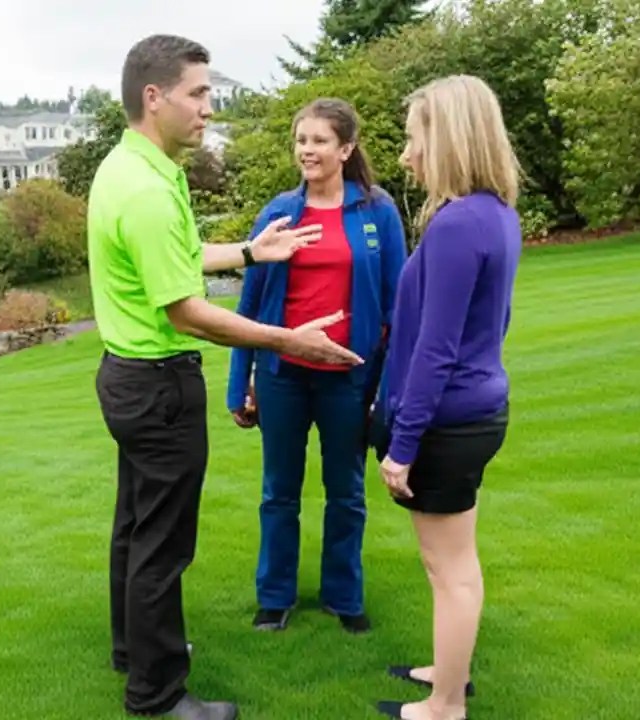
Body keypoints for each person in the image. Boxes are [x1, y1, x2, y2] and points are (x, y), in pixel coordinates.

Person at [88, 34, 364, 720]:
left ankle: (133, 649)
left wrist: (250, 250)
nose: (209, 107)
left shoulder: (137, 168)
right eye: (199, 93)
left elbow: (179, 259)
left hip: (126, 377)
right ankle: (157, 692)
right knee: (163, 542)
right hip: (157, 386)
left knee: (135, 525)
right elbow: (188, 312)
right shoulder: (146, 190)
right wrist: (287, 339)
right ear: (156, 97)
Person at [370, 74, 522, 720]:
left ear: (450, 137)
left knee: (449, 569)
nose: (406, 155)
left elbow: (436, 349)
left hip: (447, 422)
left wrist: (401, 447)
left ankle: (444, 706)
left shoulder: (459, 224)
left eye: (413, 139)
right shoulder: (495, 214)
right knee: (456, 563)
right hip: (475, 410)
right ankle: (447, 672)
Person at [225, 98, 407, 635]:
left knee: (346, 491)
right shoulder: (278, 212)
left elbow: (399, 309)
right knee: (278, 490)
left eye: (319, 140)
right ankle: (275, 597)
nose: (307, 150)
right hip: (282, 374)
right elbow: (250, 307)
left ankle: (343, 596)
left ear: (346, 149)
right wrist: (241, 384)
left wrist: (388, 388)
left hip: (350, 376)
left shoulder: (377, 211)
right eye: (301, 140)